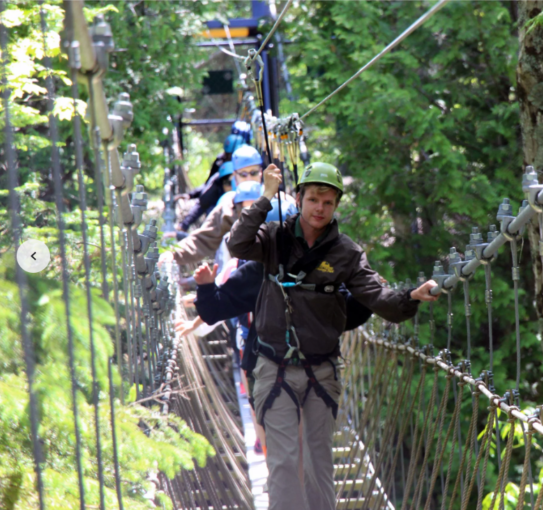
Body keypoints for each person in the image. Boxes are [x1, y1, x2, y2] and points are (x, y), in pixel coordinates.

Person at [226, 161, 439, 510]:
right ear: (298, 199)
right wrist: (265, 195)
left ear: (336, 205)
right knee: (282, 463)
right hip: (273, 366)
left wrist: (411, 297)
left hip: (320, 371)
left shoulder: (347, 253)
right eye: (313, 200)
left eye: (327, 202)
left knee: (318, 464)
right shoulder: (274, 238)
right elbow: (237, 244)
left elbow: (378, 298)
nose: (319, 209)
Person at [159, 161, 263, 266]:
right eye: (243, 174)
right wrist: (174, 253)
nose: (249, 178)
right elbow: (203, 239)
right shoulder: (227, 210)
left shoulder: (277, 205)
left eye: (253, 173)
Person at [176, 133, 246, 231]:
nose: (227, 157)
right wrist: (190, 195)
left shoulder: (248, 171)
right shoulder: (221, 167)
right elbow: (207, 193)